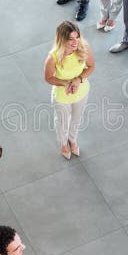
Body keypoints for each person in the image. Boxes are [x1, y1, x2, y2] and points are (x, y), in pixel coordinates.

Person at [44, 21, 94, 159]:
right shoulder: (53, 57)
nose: (75, 42)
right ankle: (63, 143)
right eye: (70, 39)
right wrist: (65, 83)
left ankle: (72, 140)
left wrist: (78, 80)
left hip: (81, 91)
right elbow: (48, 78)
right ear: (62, 39)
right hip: (62, 95)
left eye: (77, 37)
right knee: (62, 122)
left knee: (76, 119)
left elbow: (91, 66)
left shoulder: (84, 47)